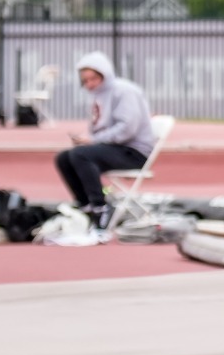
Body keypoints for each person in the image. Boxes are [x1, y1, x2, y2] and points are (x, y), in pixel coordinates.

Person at [54, 52, 156, 229]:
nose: (89, 84)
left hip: (133, 152)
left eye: (93, 78)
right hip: (114, 147)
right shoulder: (99, 95)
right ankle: (85, 205)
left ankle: (100, 207)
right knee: (63, 158)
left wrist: (93, 140)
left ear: (104, 74)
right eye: (85, 81)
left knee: (80, 155)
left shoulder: (124, 91)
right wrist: (87, 139)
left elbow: (127, 129)